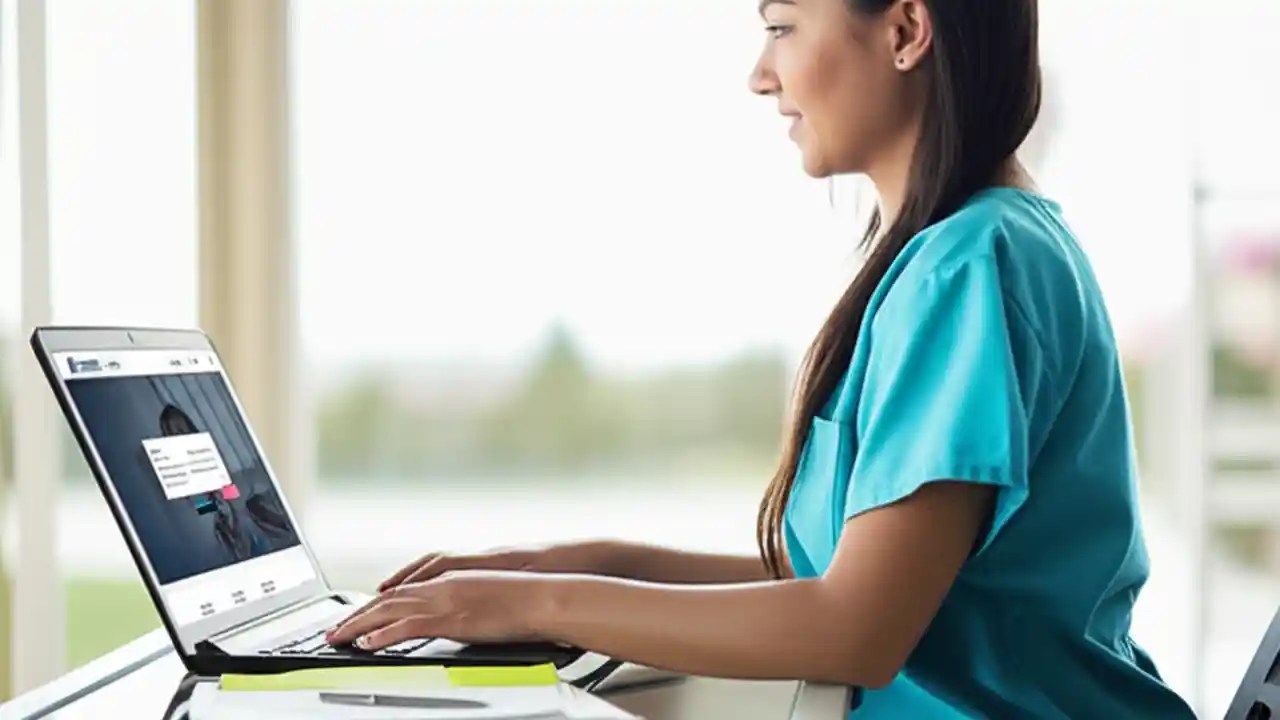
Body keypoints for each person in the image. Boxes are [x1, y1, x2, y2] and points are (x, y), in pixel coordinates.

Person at [328, 1, 1196, 716]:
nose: (760, 74)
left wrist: (529, 606)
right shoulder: (982, 245)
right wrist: (587, 562)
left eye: (781, 27)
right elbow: (848, 579)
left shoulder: (970, 266)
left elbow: (855, 627)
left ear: (904, 32)